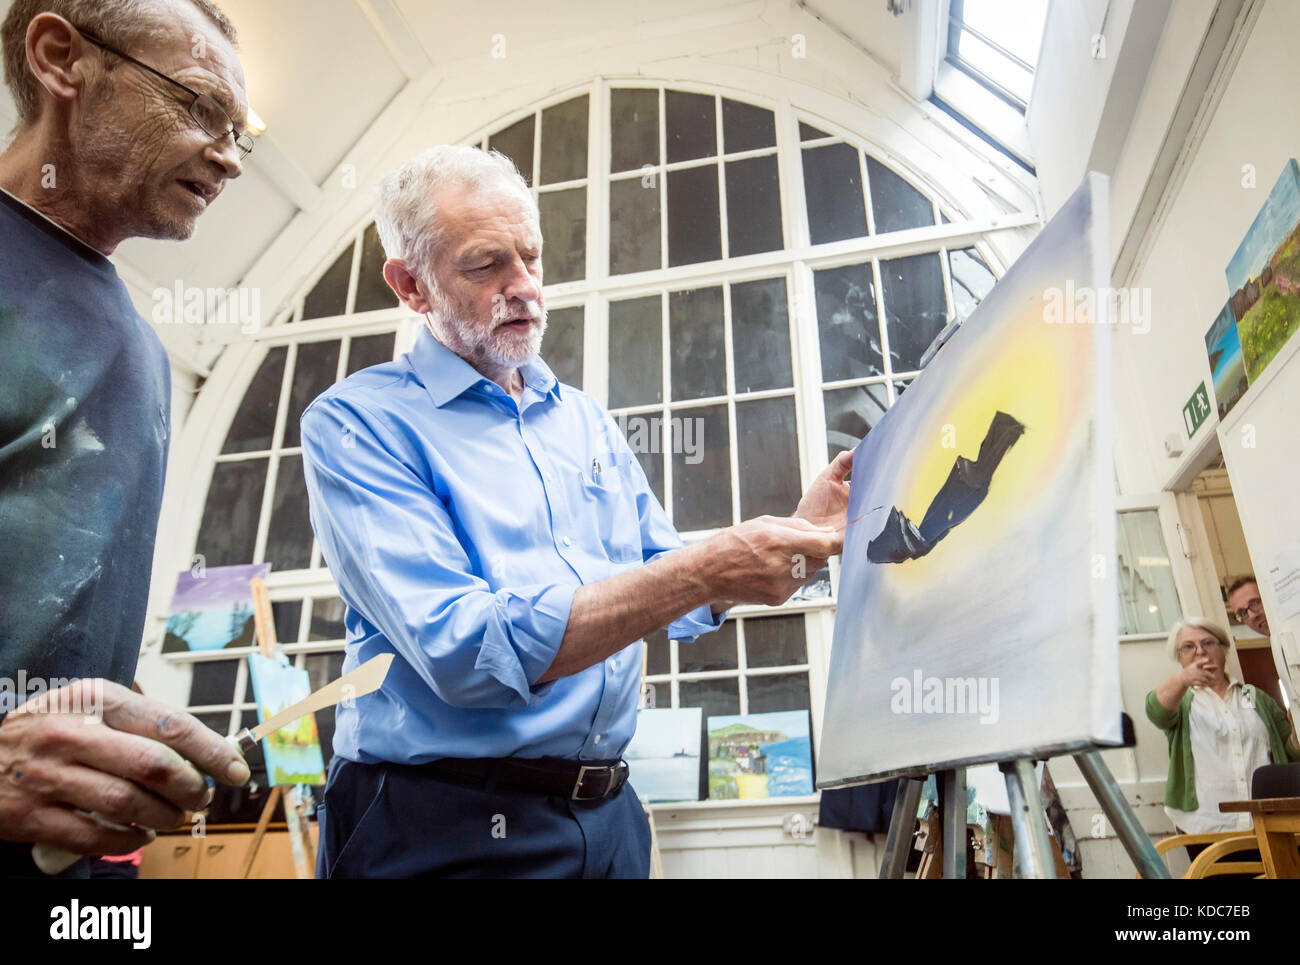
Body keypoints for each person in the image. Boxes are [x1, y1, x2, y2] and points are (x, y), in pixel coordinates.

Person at [301, 144, 851, 878]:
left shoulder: (583, 420)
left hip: (609, 817)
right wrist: (703, 569)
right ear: (411, 285)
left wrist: (795, 536)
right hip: (444, 827)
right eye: (485, 264)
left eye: (530, 257)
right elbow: (465, 649)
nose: (523, 286)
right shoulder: (357, 423)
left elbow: (666, 583)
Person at [0, 0, 253, 876]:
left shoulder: (145, 345)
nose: (228, 155)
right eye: (200, 109)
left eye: (239, 134)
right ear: (60, 59)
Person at [1146, 618, 1298, 861]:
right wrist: (1185, 679)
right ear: (1179, 657)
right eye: (1188, 646)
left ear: (1224, 649)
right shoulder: (1183, 701)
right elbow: (1156, 712)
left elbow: (1292, 752)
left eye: (1208, 642)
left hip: (1266, 824)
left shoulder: (1255, 697)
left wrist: (1295, 726)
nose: (1200, 651)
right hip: (1205, 826)